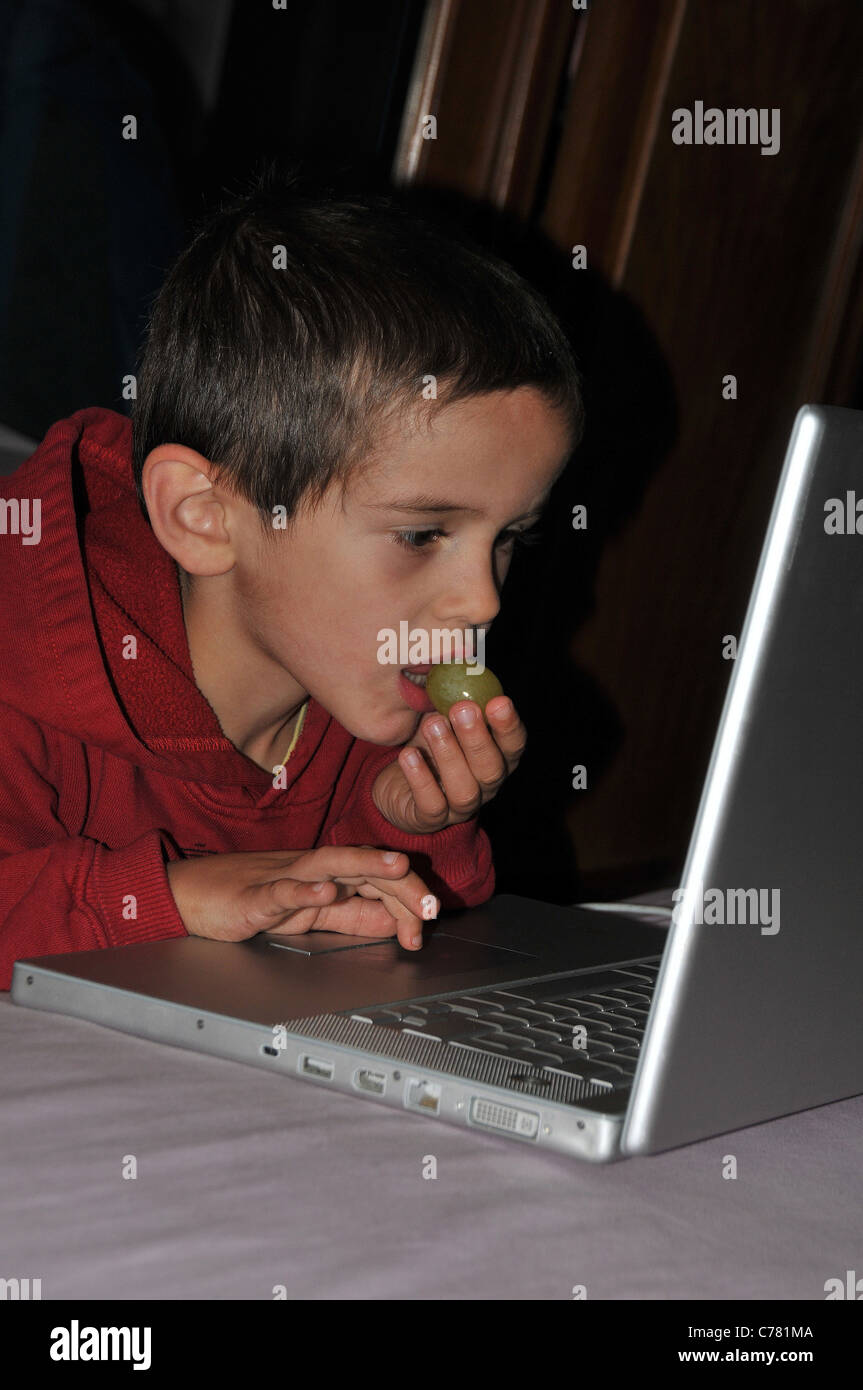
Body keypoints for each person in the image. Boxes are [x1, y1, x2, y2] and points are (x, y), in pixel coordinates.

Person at [0, 168, 583, 990]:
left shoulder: (356, 693)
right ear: (207, 516)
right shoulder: (21, 677)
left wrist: (410, 822)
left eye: (508, 538)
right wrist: (163, 897)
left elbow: (382, 941)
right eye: (422, 533)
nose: (483, 600)